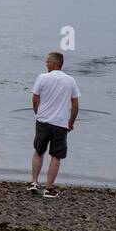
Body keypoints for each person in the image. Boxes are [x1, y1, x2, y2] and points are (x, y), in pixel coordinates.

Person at [30, 51, 80, 198]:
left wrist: (37, 113)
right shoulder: (70, 80)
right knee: (56, 156)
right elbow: (75, 105)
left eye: (47, 62)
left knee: (39, 151)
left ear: (54, 64)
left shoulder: (43, 78)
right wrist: (71, 121)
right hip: (60, 123)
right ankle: (49, 187)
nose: (46, 64)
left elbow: (34, 99)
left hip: (43, 120)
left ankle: (34, 181)